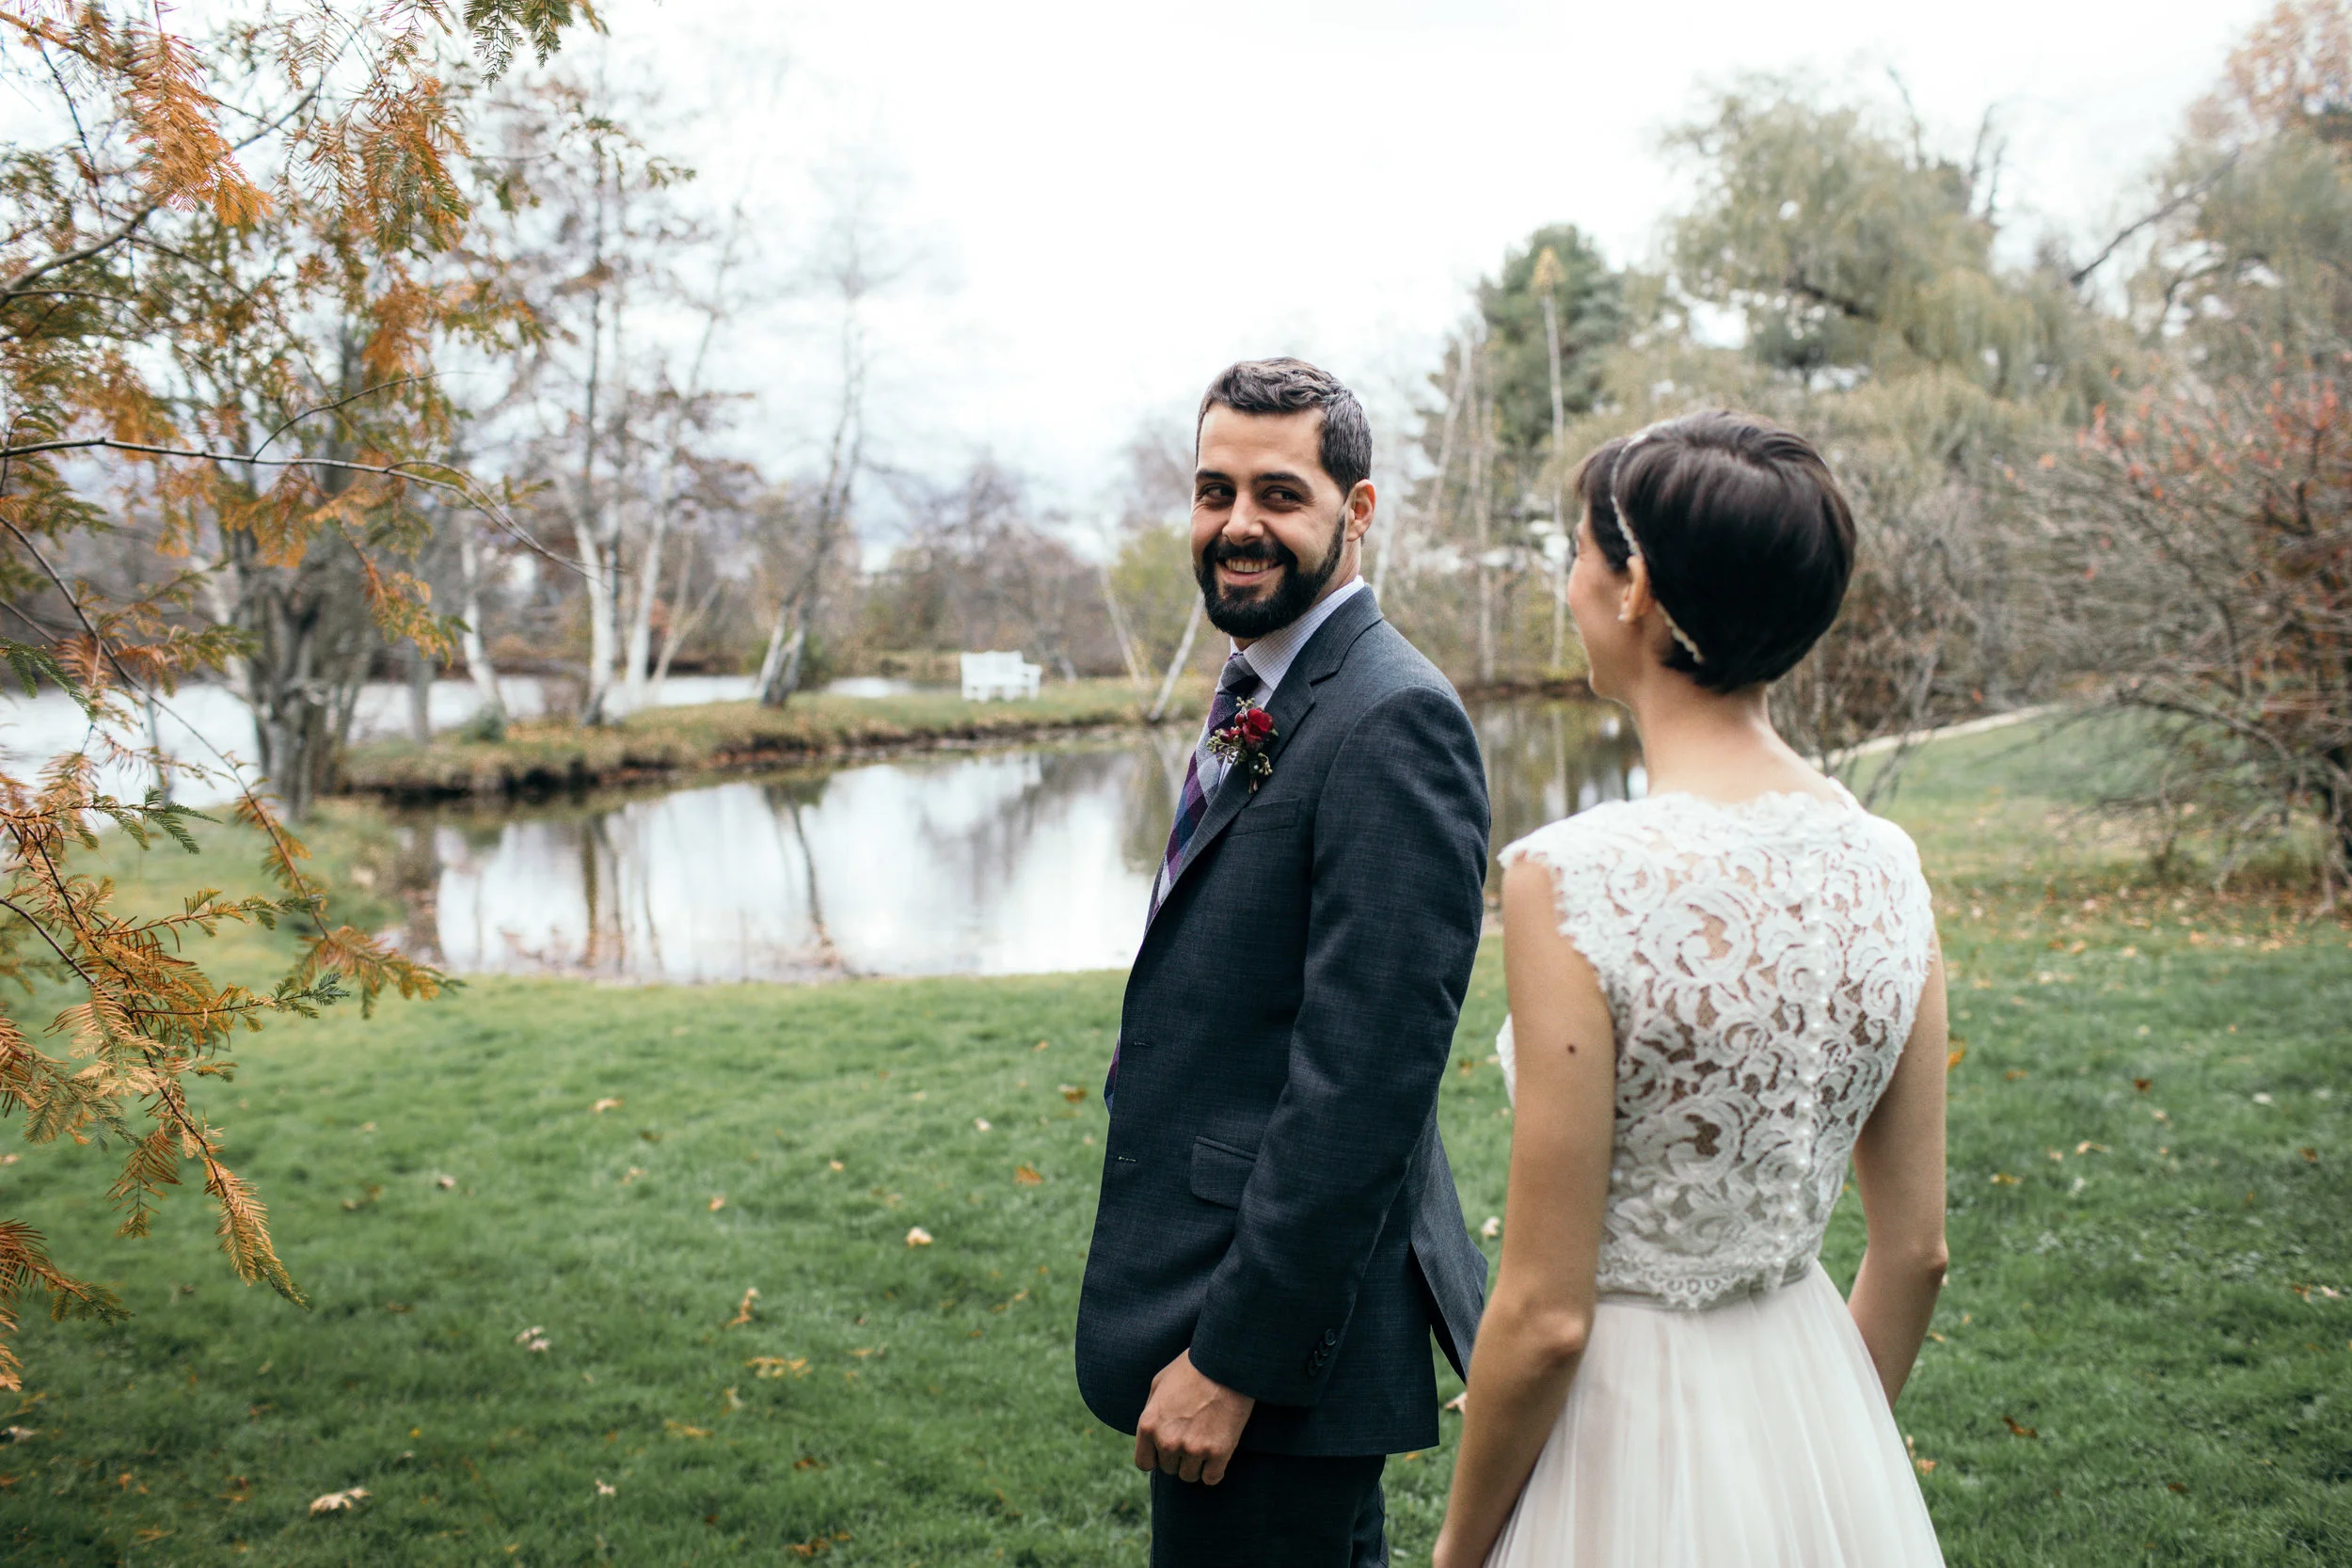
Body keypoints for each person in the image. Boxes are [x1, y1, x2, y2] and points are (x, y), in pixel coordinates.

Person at [1433, 411, 1950, 1568]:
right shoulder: (1888, 862)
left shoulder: (1568, 876)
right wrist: (1818, 1458)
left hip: (1621, 1435)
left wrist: (1458, 1550)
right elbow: (1914, 1252)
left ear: (1636, 590)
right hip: (1814, 1396)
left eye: (1577, 551)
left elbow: (1546, 1314)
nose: (1568, 582)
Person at [1075, 357, 1491, 1567]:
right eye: (1214, 491)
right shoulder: (1272, 683)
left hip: (1269, 1349)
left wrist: (1229, 1361)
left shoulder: (1390, 718)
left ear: (1355, 513)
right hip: (1209, 1291)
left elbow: (1365, 1085)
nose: (1236, 525)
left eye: (1278, 493)